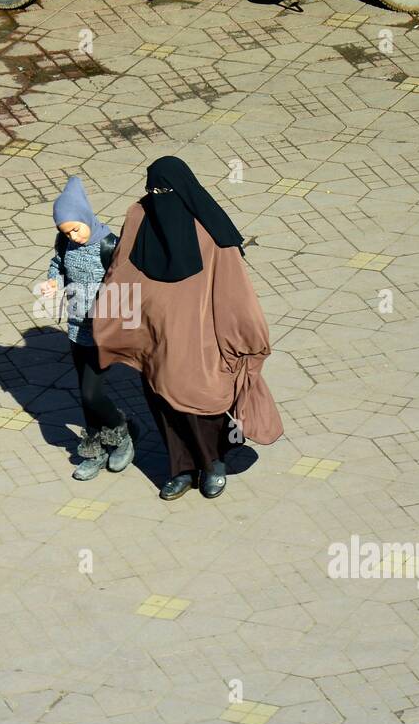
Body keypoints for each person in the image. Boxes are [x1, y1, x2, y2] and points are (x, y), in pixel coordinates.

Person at [91, 156, 282, 500]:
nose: (158, 197)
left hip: (201, 340)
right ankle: (179, 470)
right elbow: (121, 270)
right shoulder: (139, 216)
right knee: (163, 405)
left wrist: (249, 340)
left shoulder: (212, 235)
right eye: (153, 190)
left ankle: (211, 464)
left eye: (166, 190)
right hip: (154, 339)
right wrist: (115, 326)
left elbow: (235, 295)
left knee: (198, 403)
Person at [41, 177, 138, 481]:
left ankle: (121, 433)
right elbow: (57, 262)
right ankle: (94, 452)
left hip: (102, 331)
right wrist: (53, 280)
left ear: (85, 217)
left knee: (91, 393)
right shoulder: (65, 242)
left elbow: (126, 283)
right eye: (66, 231)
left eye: (75, 228)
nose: (73, 236)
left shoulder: (108, 244)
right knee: (85, 396)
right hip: (75, 327)